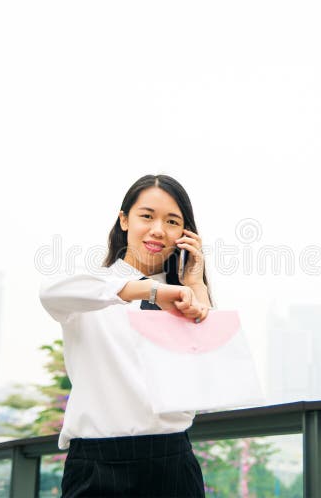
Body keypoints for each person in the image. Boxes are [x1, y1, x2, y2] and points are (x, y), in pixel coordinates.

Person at [39, 174, 214, 497]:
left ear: (184, 234)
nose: (158, 230)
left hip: (173, 461)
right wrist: (150, 290)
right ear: (124, 220)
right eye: (146, 216)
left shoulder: (185, 298)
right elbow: (50, 294)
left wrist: (196, 284)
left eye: (172, 221)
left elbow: (206, 368)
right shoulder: (94, 289)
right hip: (98, 465)